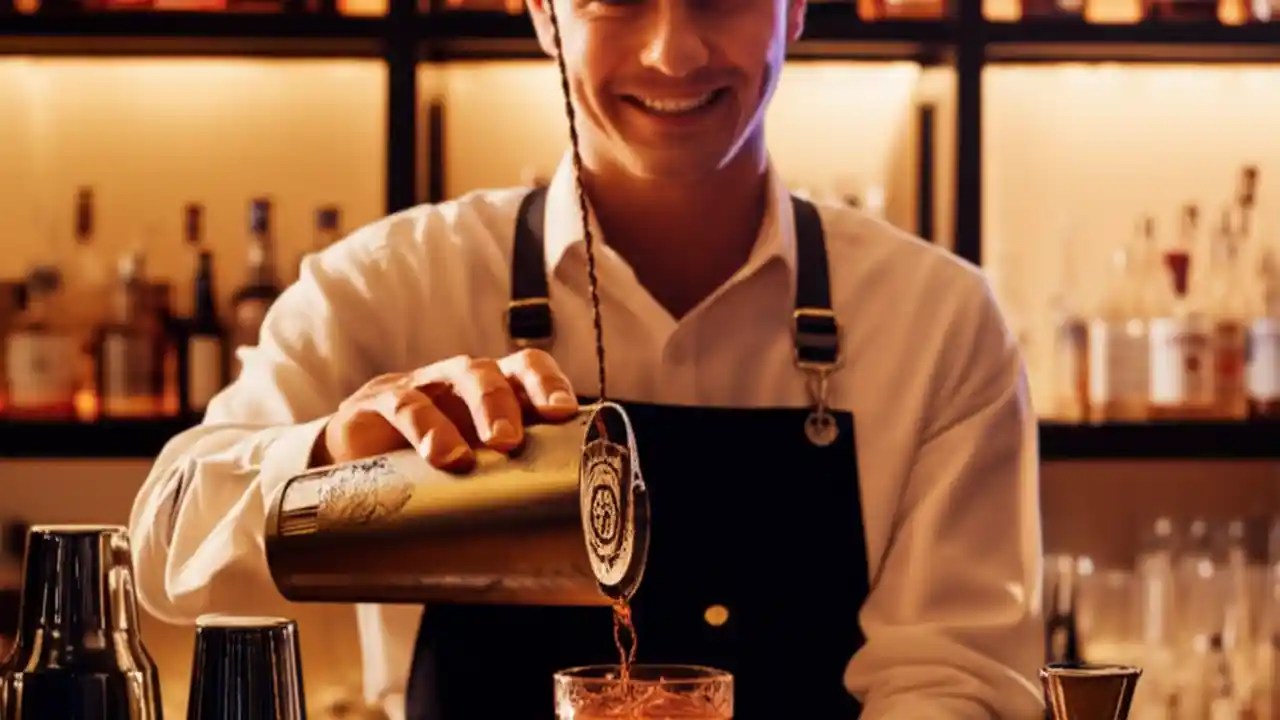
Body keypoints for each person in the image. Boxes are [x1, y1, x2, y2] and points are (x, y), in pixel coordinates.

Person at [128, 0, 1047, 714]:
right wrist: (331, 458)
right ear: (542, 12)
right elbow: (169, 547)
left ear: (795, 7)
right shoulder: (392, 284)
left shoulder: (937, 322)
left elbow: (950, 682)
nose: (673, 52)